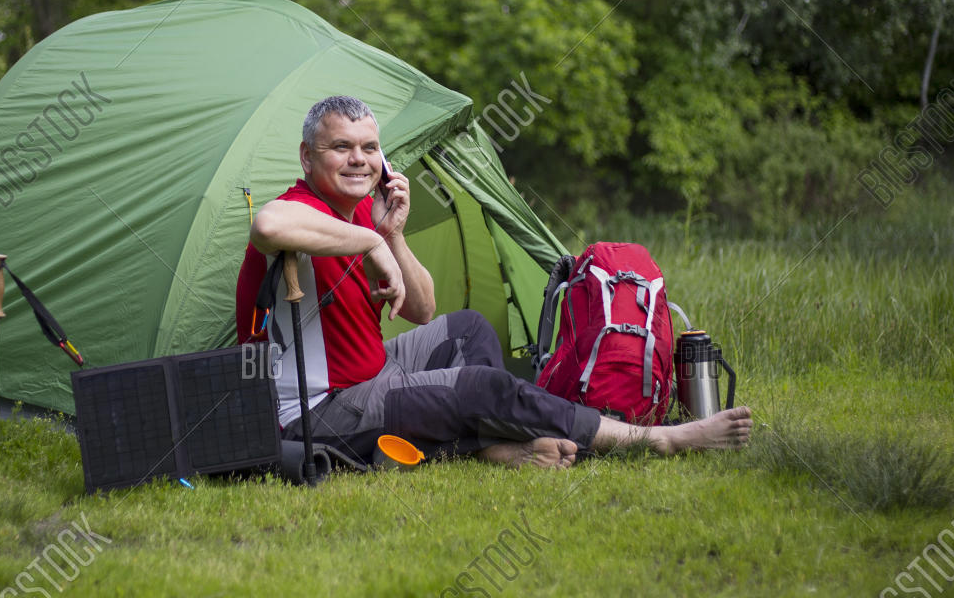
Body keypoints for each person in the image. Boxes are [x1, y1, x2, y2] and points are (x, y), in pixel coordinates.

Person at [234, 95, 752, 469]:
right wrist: (368, 244)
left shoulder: (362, 218)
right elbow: (267, 226)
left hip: (373, 375)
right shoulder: (301, 209)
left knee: (468, 330)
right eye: (340, 147)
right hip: (315, 409)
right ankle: (652, 440)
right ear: (307, 157)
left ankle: (491, 445)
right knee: (480, 386)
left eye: (370, 148)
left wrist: (391, 237)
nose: (359, 160)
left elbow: (421, 309)